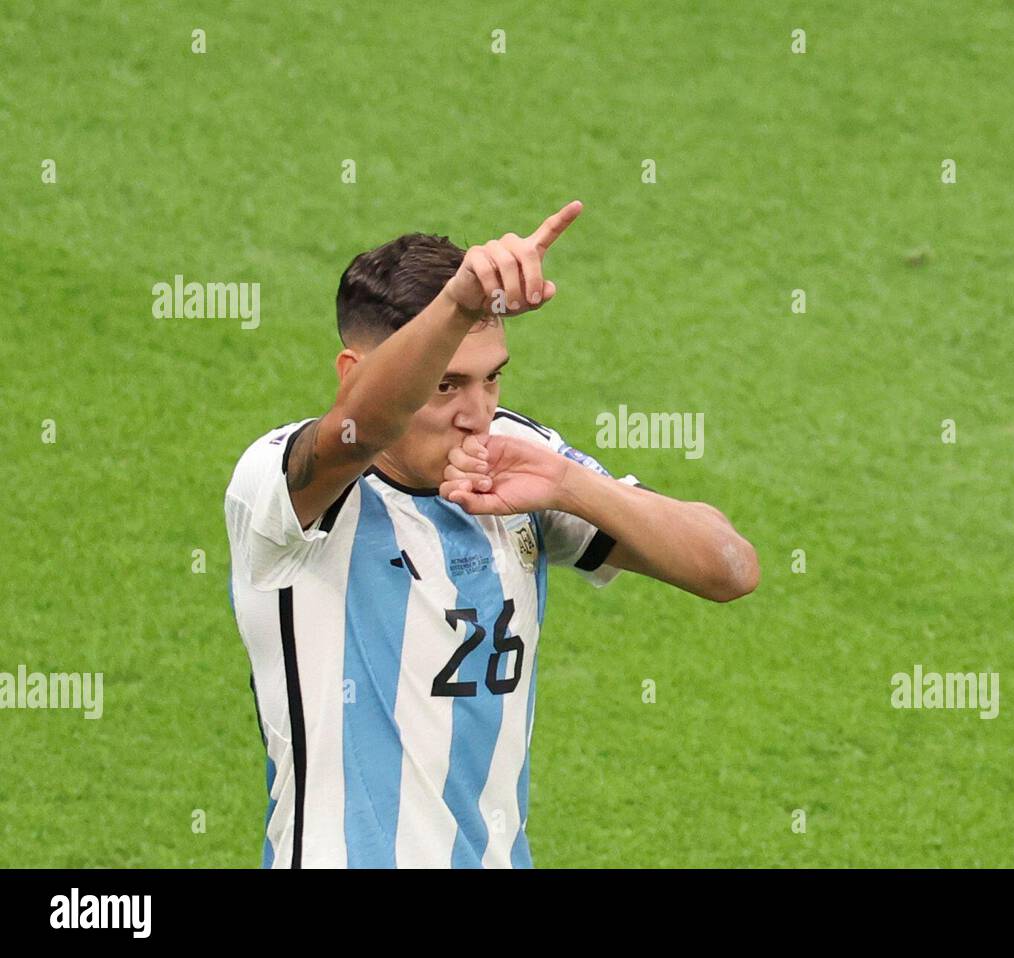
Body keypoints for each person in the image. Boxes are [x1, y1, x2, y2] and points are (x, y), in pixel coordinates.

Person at [224, 201, 759, 867]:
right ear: (353, 372)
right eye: (445, 384)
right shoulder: (286, 491)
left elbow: (730, 569)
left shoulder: (517, 457)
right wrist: (457, 303)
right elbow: (357, 428)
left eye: (492, 376)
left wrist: (569, 484)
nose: (477, 415)